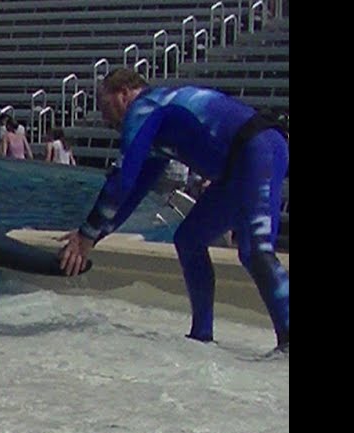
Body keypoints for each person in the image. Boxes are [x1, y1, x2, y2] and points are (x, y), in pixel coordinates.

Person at [57, 68, 289, 352]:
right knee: (189, 239)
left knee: (256, 251)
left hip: (258, 147)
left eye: (106, 107)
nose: (106, 120)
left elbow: (122, 181)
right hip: (237, 167)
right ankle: (201, 335)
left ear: (124, 93)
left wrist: (88, 232)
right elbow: (132, 194)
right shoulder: (158, 137)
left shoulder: (146, 106)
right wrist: (89, 238)